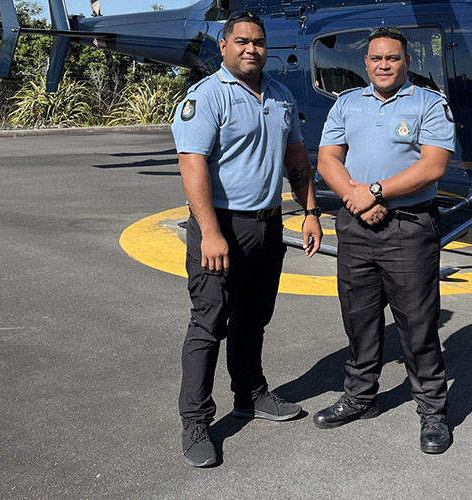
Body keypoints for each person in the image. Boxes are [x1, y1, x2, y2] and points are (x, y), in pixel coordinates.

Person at [171, 11, 323, 468]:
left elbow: (296, 156)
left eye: (258, 42)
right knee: (209, 323)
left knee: (254, 317)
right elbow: (191, 164)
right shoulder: (207, 97)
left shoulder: (278, 96)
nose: (251, 49)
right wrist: (211, 234)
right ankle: (195, 421)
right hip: (221, 226)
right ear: (224, 46)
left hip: (268, 224)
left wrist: (311, 211)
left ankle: (250, 395)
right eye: (241, 41)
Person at [314, 27, 456, 454]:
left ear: (407, 61)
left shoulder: (430, 104)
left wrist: (375, 191)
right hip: (356, 224)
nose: (383, 65)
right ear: (366, 63)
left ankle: (432, 412)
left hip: (408, 226)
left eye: (392, 58)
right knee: (358, 317)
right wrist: (356, 199)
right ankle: (361, 397)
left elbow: (433, 167)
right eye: (376, 58)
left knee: (416, 322)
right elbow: (327, 158)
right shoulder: (347, 104)